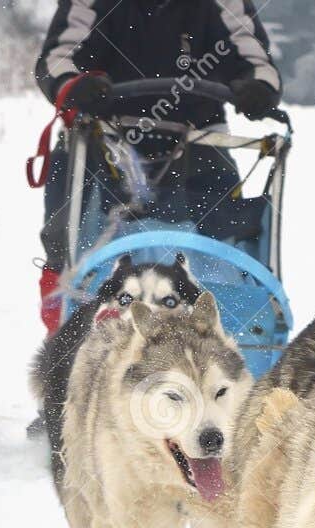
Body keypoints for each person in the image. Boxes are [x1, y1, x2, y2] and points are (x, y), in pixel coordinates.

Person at [33, 0, 283, 332]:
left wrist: (260, 87)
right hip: (106, 139)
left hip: (198, 138)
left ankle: (233, 323)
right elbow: (58, 59)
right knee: (78, 223)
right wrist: (73, 84)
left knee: (225, 238)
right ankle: (72, 314)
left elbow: (256, 61)